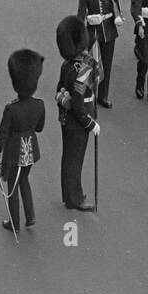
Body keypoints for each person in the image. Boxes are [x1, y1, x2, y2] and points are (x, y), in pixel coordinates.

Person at [0, 49, 46, 231]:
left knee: (12, 187)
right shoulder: (39, 104)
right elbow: (39, 128)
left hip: (14, 152)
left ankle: (14, 223)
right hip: (31, 150)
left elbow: (3, 134)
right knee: (24, 180)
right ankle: (30, 216)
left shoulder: (11, 108)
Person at [55, 15, 100, 212]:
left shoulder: (67, 65)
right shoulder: (83, 69)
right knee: (75, 160)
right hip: (78, 120)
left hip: (66, 119)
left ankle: (68, 195)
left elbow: (59, 90)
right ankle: (75, 199)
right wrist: (91, 124)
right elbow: (79, 105)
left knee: (68, 158)